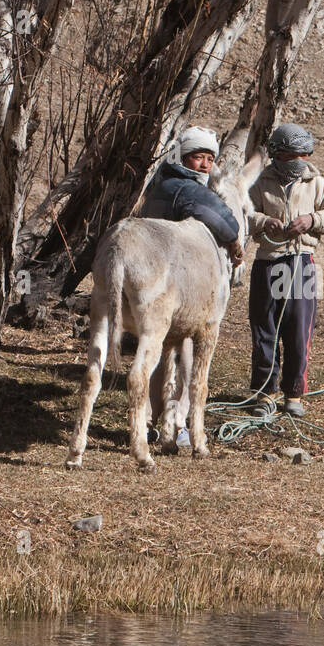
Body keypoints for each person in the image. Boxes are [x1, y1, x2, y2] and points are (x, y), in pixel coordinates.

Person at [138, 126, 244, 443]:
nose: (204, 165)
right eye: (198, 157)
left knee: (153, 351)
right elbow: (223, 221)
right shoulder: (186, 189)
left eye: (209, 159)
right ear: (183, 158)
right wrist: (235, 242)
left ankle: (151, 421)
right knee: (185, 351)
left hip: (152, 280)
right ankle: (179, 421)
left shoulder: (159, 186)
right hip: (181, 283)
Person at [245, 123, 324, 417]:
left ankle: (293, 394)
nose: (299, 161)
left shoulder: (316, 183)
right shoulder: (260, 182)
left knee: (298, 328)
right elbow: (244, 211)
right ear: (278, 154)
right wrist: (265, 221)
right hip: (267, 260)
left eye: (304, 155)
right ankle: (265, 393)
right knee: (264, 326)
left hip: (301, 261)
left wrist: (312, 220)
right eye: (292, 155)